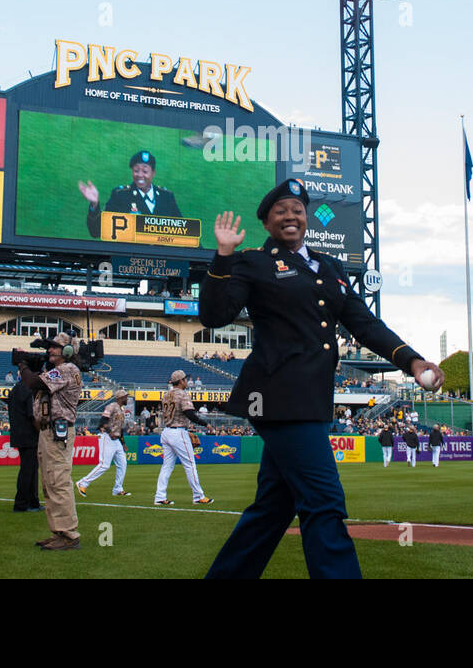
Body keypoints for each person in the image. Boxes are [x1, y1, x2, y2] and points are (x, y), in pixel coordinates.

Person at [200, 179, 444, 578]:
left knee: (273, 508)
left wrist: (412, 361)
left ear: (307, 217)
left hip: (311, 399)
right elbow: (214, 316)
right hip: (276, 397)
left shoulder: (329, 267)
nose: (290, 216)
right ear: (266, 222)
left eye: (297, 209)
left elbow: (365, 325)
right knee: (325, 502)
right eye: (280, 211)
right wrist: (223, 257)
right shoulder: (252, 262)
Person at [17, 334, 83, 550]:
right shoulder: (58, 371)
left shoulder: (67, 370)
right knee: (49, 483)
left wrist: (23, 365)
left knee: (58, 481)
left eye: (56, 347)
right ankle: (59, 532)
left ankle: (69, 534)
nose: (50, 350)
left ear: (67, 351)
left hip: (58, 432)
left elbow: (34, 382)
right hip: (48, 431)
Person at [81, 150, 182, 238]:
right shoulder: (121, 195)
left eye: (145, 171)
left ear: (153, 173)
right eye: (136, 170)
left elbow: (183, 232)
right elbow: (97, 231)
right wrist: (94, 204)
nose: (140, 175)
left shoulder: (166, 196)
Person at [154, 371, 213, 506]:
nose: (187, 381)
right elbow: (189, 413)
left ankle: (159, 496)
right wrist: (206, 424)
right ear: (181, 381)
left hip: (167, 432)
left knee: (166, 466)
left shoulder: (166, 395)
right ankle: (198, 496)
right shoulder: (182, 394)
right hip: (178, 433)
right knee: (190, 464)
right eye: (185, 379)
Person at [77, 389, 132, 497]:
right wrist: (109, 431)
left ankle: (118, 489)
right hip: (106, 437)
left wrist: (123, 443)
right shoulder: (111, 406)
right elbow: (102, 422)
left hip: (116, 440)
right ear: (120, 398)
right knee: (104, 465)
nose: (127, 398)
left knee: (122, 464)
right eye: (125, 396)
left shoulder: (121, 410)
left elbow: (119, 429)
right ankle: (82, 483)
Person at [6, 365, 43, 513]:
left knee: (30, 469)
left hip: (19, 434)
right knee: (28, 471)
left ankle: (33, 502)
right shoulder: (28, 391)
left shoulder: (16, 389)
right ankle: (21, 503)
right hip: (29, 435)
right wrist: (41, 432)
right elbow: (32, 415)